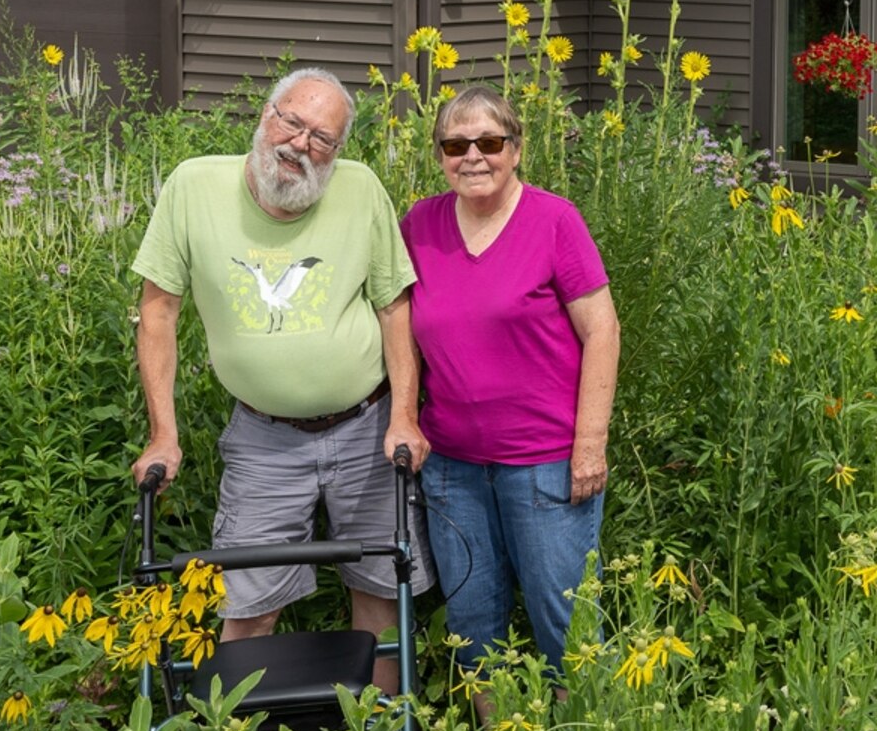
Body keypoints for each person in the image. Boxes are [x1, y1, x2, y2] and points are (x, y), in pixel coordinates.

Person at [130, 67, 427, 688]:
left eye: (322, 138)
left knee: (378, 587)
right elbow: (158, 311)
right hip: (263, 438)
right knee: (246, 598)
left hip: (366, 426)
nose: (300, 144)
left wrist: (404, 415)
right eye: (291, 122)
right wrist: (164, 434)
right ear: (265, 116)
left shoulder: (361, 190)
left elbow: (394, 305)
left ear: (338, 152)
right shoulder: (193, 187)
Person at [401, 87, 619, 673]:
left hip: (546, 465)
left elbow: (603, 331)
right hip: (452, 467)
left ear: (516, 149)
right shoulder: (418, 226)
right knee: (472, 629)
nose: (472, 156)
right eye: (455, 144)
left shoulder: (554, 221)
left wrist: (589, 447)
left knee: (566, 625)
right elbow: (393, 325)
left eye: (489, 142)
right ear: (440, 155)